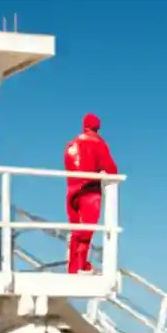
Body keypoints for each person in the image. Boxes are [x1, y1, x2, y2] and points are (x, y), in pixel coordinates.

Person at [64, 113, 118, 274]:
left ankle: (73, 267)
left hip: (72, 190)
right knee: (87, 229)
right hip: (89, 191)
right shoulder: (97, 143)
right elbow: (111, 168)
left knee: (76, 229)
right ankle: (81, 265)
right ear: (98, 126)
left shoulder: (71, 144)